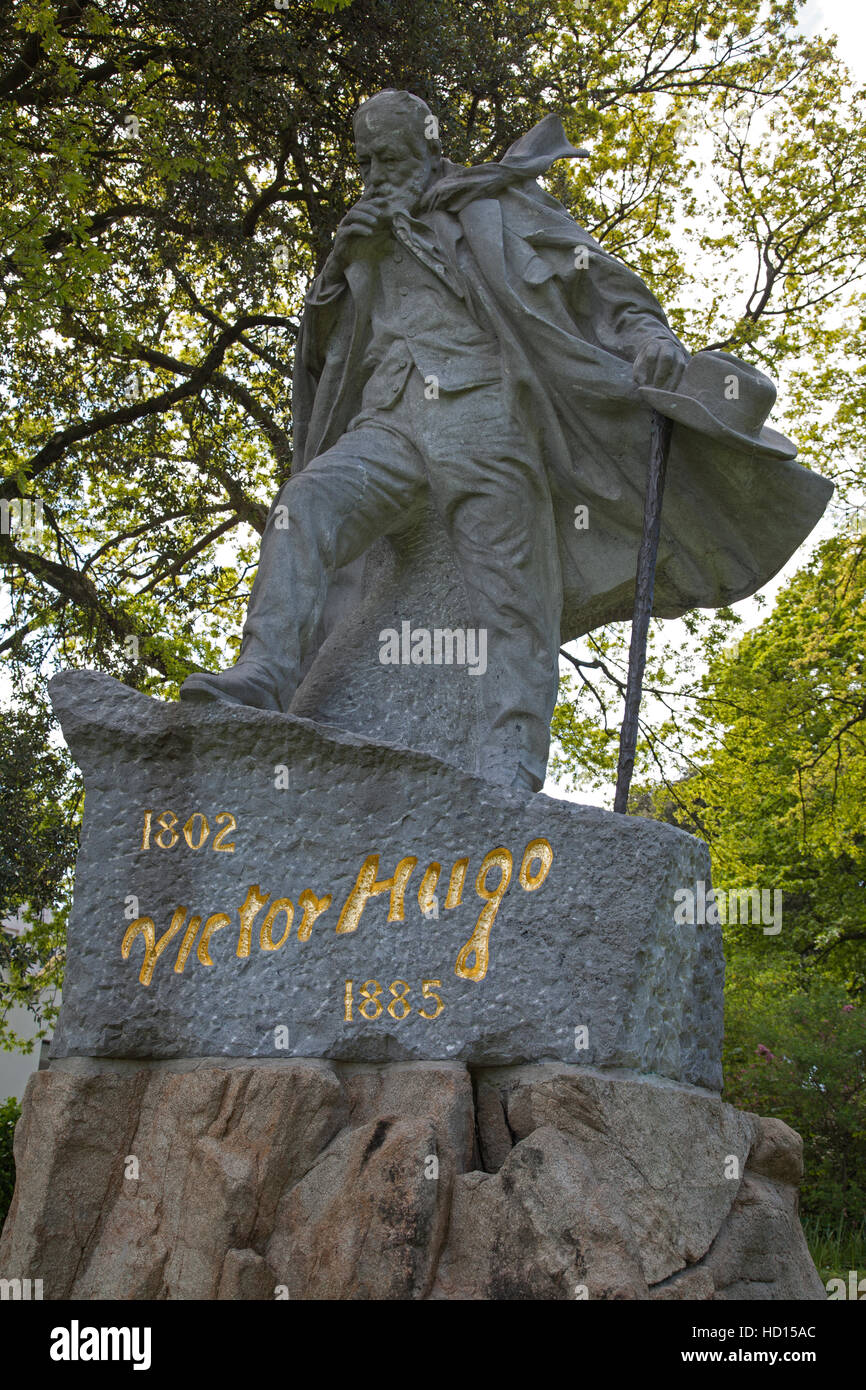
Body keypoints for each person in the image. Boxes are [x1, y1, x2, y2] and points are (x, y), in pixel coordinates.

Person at [181, 89, 831, 792]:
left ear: (429, 145)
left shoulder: (499, 202)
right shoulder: (361, 233)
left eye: (389, 156)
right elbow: (324, 362)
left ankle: (510, 754)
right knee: (304, 504)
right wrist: (339, 269)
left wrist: (649, 336)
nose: (374, 171)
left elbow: (601, 283)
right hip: (389, 416)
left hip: (484, 413)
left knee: (510, 588)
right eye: (365, 159)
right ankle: (263, 677)